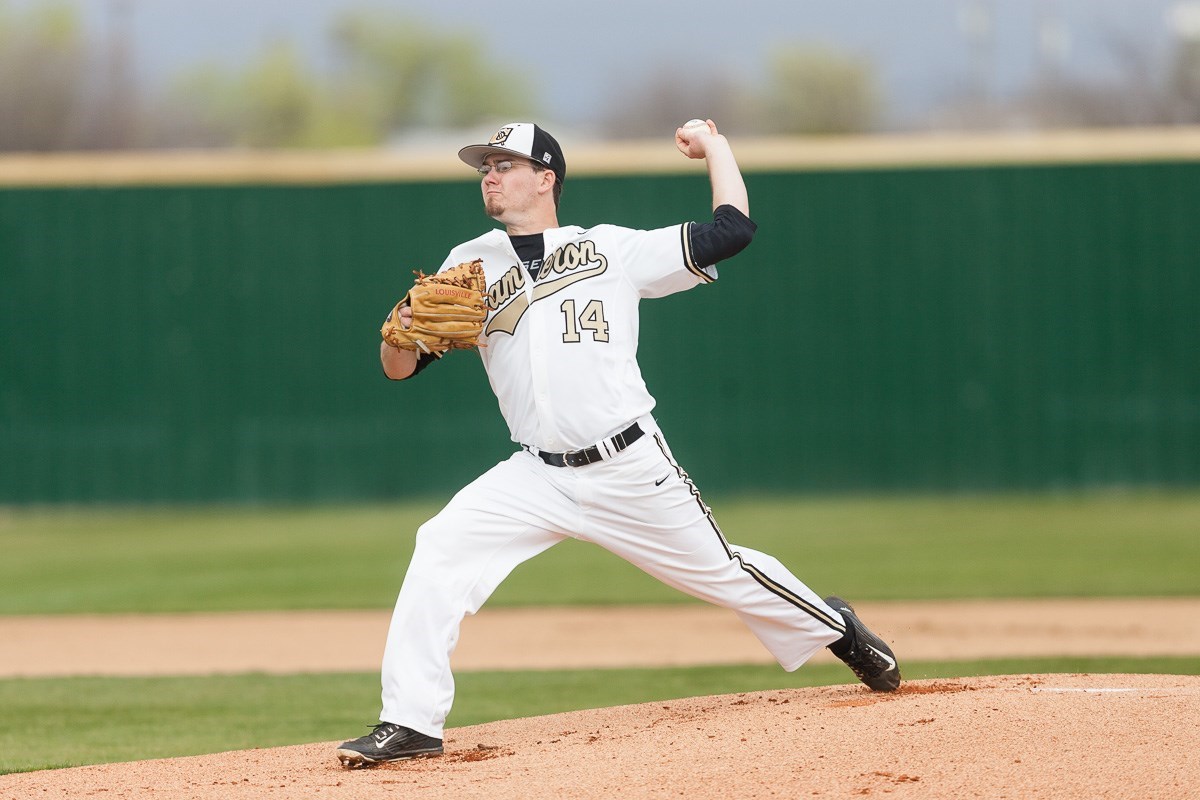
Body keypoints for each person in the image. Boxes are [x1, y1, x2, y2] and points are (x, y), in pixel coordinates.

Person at [336, 121, 900, 768]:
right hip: (536, 475)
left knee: (726, 575)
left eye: (504, 163)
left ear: (546, 179)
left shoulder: (609, 249)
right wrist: (400, 332)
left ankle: (838, 629)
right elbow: (400, 370)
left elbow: (732, 232)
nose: (489, 174)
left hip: (628, 466)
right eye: (484, 165)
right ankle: (411, 723)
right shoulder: (467, 265)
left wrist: (715, 148)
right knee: (440, 546)